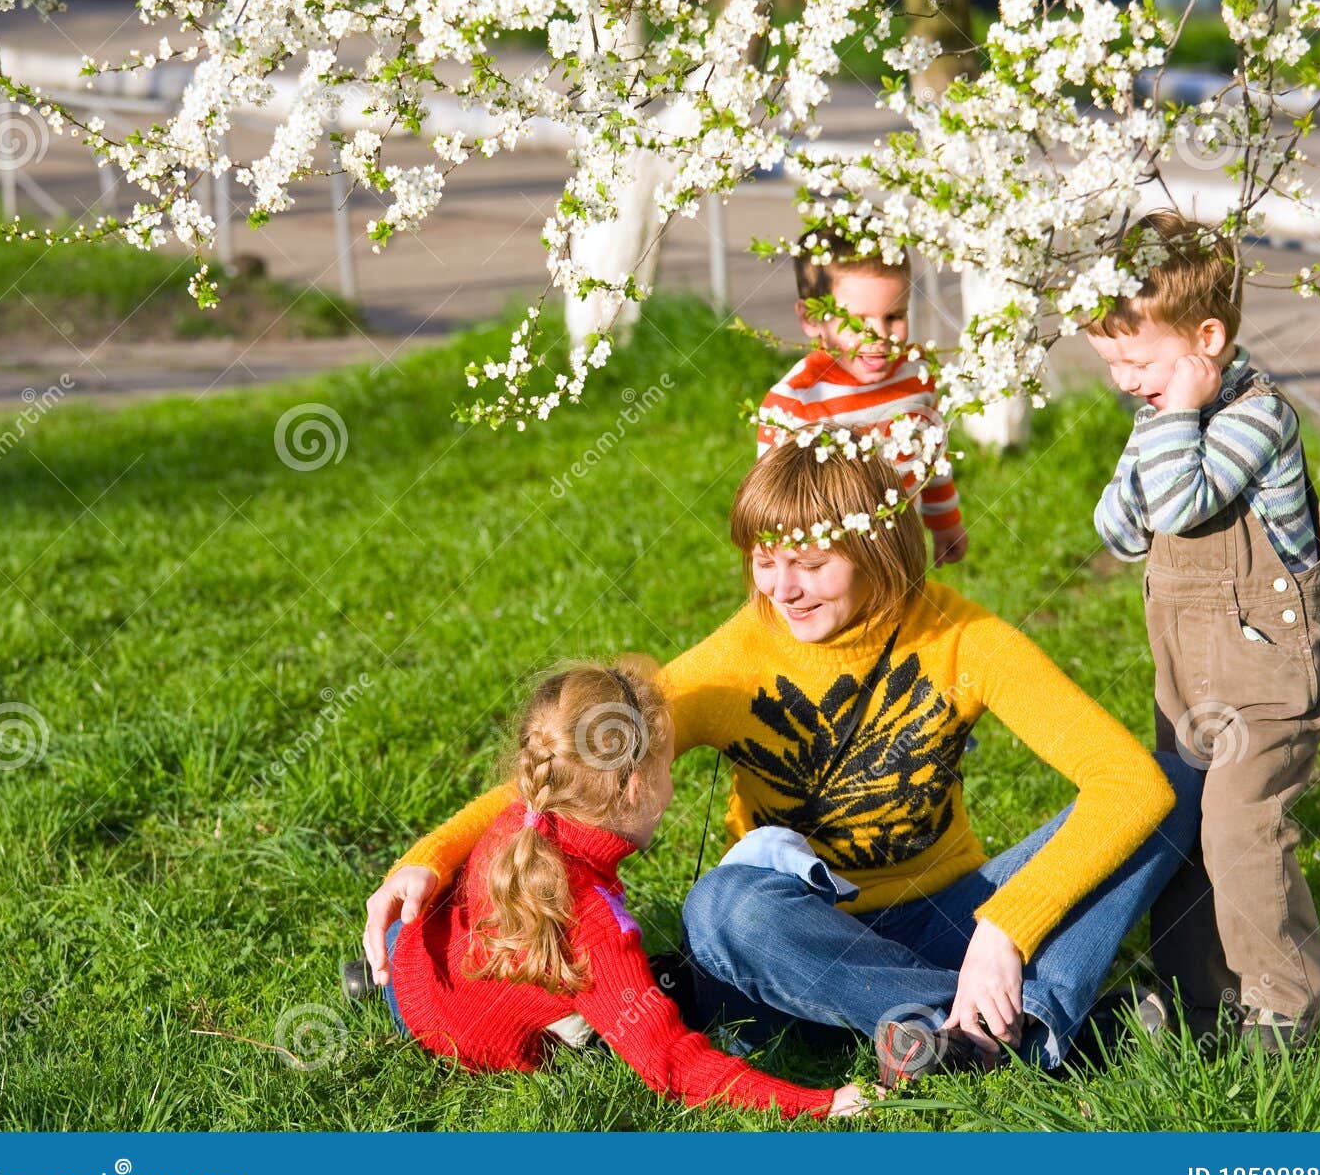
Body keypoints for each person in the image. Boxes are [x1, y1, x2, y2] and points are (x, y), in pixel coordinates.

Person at [366, 446, 1203, 1086]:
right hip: (789, 940)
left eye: (810, 563)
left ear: (880, 549)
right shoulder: (739, 657)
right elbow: (569, 761)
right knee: (723, 907)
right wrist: (429, 856)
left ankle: (956, 1027)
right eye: (766, 560)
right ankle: (1014, 1024)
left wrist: (1004, 926)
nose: (783, 587)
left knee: (1179, 786)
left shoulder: (965, 639)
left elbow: (1129, 781)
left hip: (949, 910)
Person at [365, 658, 867, 1118]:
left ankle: (370, 979)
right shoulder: (596, 932)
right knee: (617, 1020)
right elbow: (673, 1065)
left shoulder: (522, 821)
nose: (672, 789)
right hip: (460, 1043)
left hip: (407, 954)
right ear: (633, 788)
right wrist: (821, 1103)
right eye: (667, 770)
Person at [1089, 210, 1320, 1051]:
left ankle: (1283, 1008)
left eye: (1139, 362)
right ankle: (1202, 1001)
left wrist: (1168, 425)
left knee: (1241, 830)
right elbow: (1119, 529)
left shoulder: (1257, 419)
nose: (1125, 381)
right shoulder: (1164, 416)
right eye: (1113, 364)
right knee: (1184, 825)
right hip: (1189, 677)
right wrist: (1156, 426)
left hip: (1266, 676)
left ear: (1208, 339)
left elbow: (1180, 503)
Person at [756, 227, 969, 567]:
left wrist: (945, 522)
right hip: (826, 569)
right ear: (812, 319)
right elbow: (770, 511)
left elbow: (931, 457)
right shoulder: (794, 404)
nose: (880, 336)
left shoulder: (915, 375)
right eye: (857, 323)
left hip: (902, 555)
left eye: (894, 316)